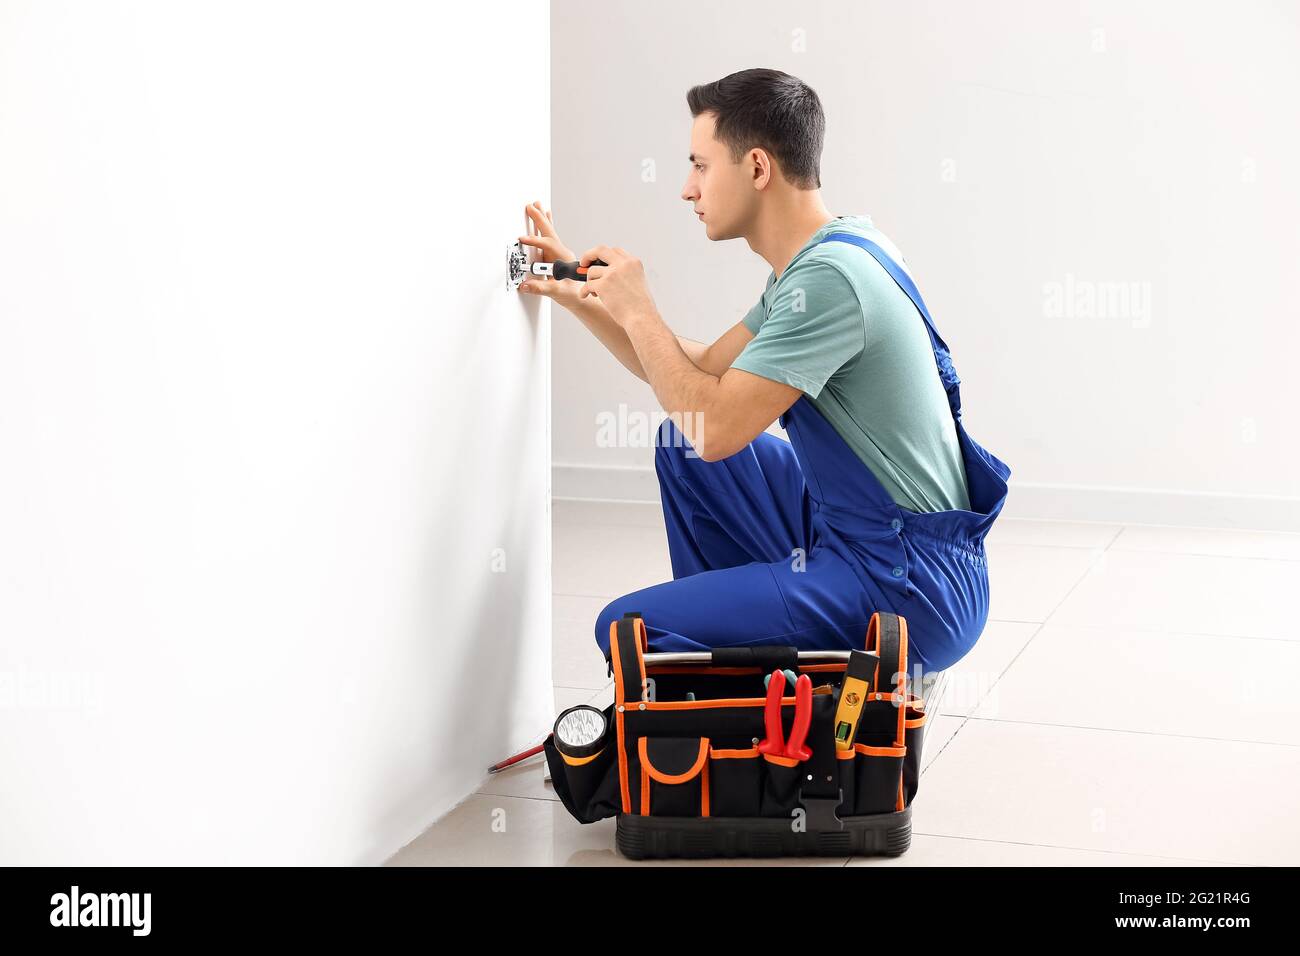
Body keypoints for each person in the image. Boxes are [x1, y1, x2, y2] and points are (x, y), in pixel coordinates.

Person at [518, 68, 1010, 675]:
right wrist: (584, 295)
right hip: (865, 538)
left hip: (906, 588)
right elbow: (700, 371)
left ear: (756, 167)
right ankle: (743, 652)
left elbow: (716, 425)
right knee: (683, 445)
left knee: (627, 630)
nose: (687, 189)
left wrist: (641, 308)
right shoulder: (827, 254)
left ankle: (736, 682)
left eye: (700, 165)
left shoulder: (829, 281)